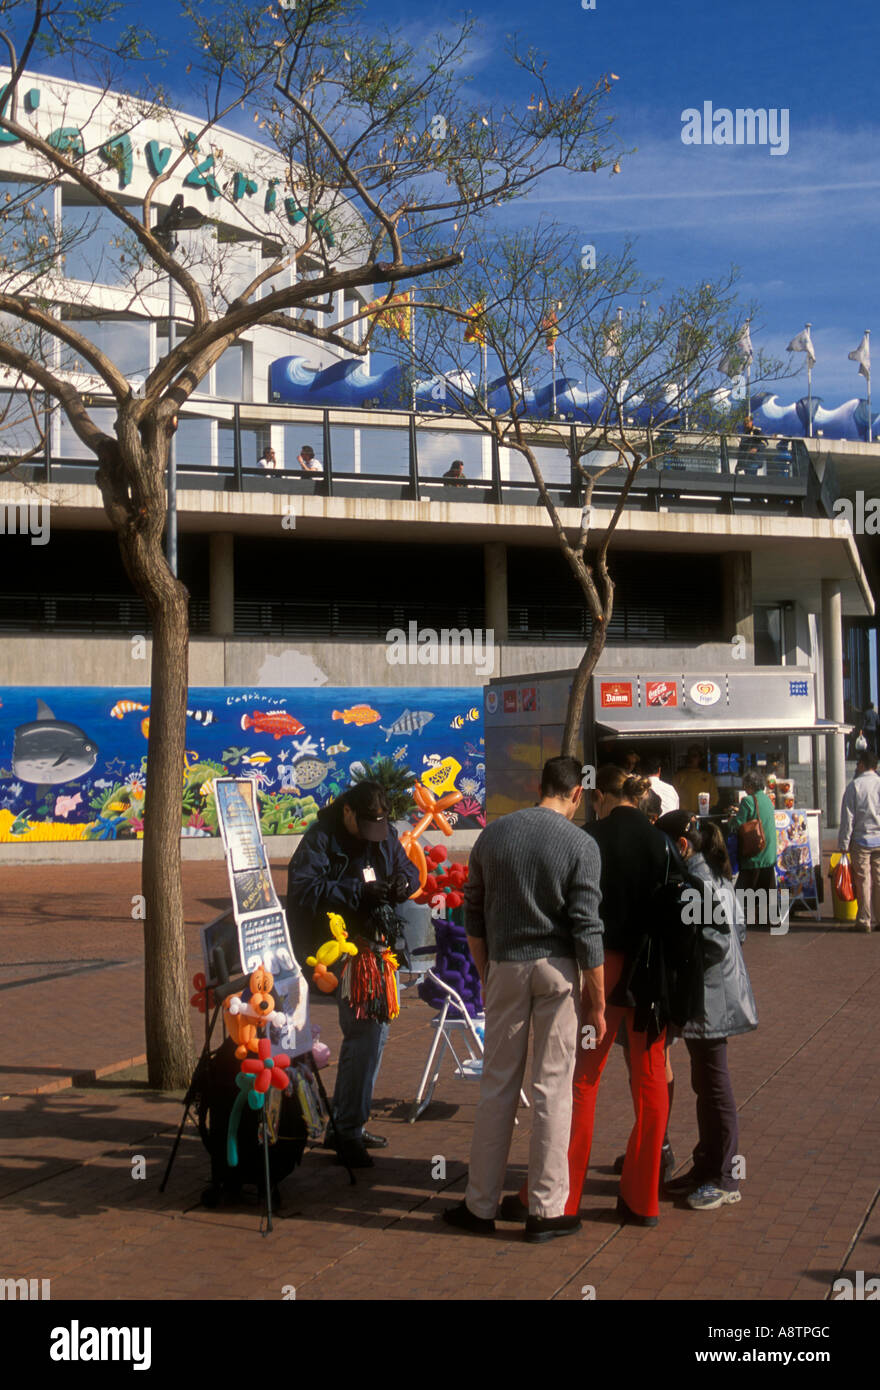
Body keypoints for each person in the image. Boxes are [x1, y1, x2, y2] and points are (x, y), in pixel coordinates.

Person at [443, 756, 605, 1243]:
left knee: (497, 1087)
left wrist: (485, 967)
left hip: (505, 965)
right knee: (552, 1089)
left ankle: (480, 1204)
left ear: (541, 786)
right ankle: (546, 1210)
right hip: (558, 970)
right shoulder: (581, 844)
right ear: (576, 794)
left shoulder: (494, 835)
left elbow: (473, 910)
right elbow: (588, 928)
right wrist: (596, 1001)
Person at [505, 765, 675, 1227]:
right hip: (649, 970)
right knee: (651, 1078)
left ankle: (565, 1191)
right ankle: (642, 1198)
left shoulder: (590, 838)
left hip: (600, 964)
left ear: (598, 796)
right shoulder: (659, 842)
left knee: (580, 1080)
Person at [286, 781, 420, 1167]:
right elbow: (303, 889)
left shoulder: (385, 834)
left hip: (378, 948)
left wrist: (401, 884)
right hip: (337, 948)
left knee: (375, 1032)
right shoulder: (319, 838)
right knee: (365, 1030)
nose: (370, 836)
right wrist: (356, 893)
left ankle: (349, 1123)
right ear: (348, 812)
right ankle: (346, 1129)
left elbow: (409, 869)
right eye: (364, 827)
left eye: (377, 828)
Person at [656, 813, 757, 1210]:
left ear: (682, 846)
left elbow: (716, 941)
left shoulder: (696, 882)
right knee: (706, 1083)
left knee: (714, 1086)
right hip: (714, 996)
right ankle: (707, 1164)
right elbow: (741, 932)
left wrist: (680, 955)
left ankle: (726, 1175)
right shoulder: (715, 875)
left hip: (713, 998)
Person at [838, 749, 880, 933]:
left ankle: (864, 919)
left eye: (857, 763)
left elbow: (848, 818)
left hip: (861, 840)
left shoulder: (854, 786)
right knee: (879, 880)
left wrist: (843, 845)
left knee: (863, 880)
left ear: (862, 764)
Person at [728, 770, 777, 899]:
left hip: (754, 856)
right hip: (769, 854)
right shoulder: (767, 800)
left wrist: (730, 820)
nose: (744, 790)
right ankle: (770, 919)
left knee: (746, 896)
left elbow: (737, 824)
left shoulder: (747, 801)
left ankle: (750, 918)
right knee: (768, 895)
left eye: (745, 786)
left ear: (750, 786)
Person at [673, 744, 719, 813]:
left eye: (694, 756)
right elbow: (674, 797)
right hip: (684, 816)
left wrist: (704, 810)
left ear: (700, 758)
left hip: (702, 816)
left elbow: (714, 798)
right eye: (689, 756)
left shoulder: (708, 777)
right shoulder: (679, 776)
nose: (691, 759)